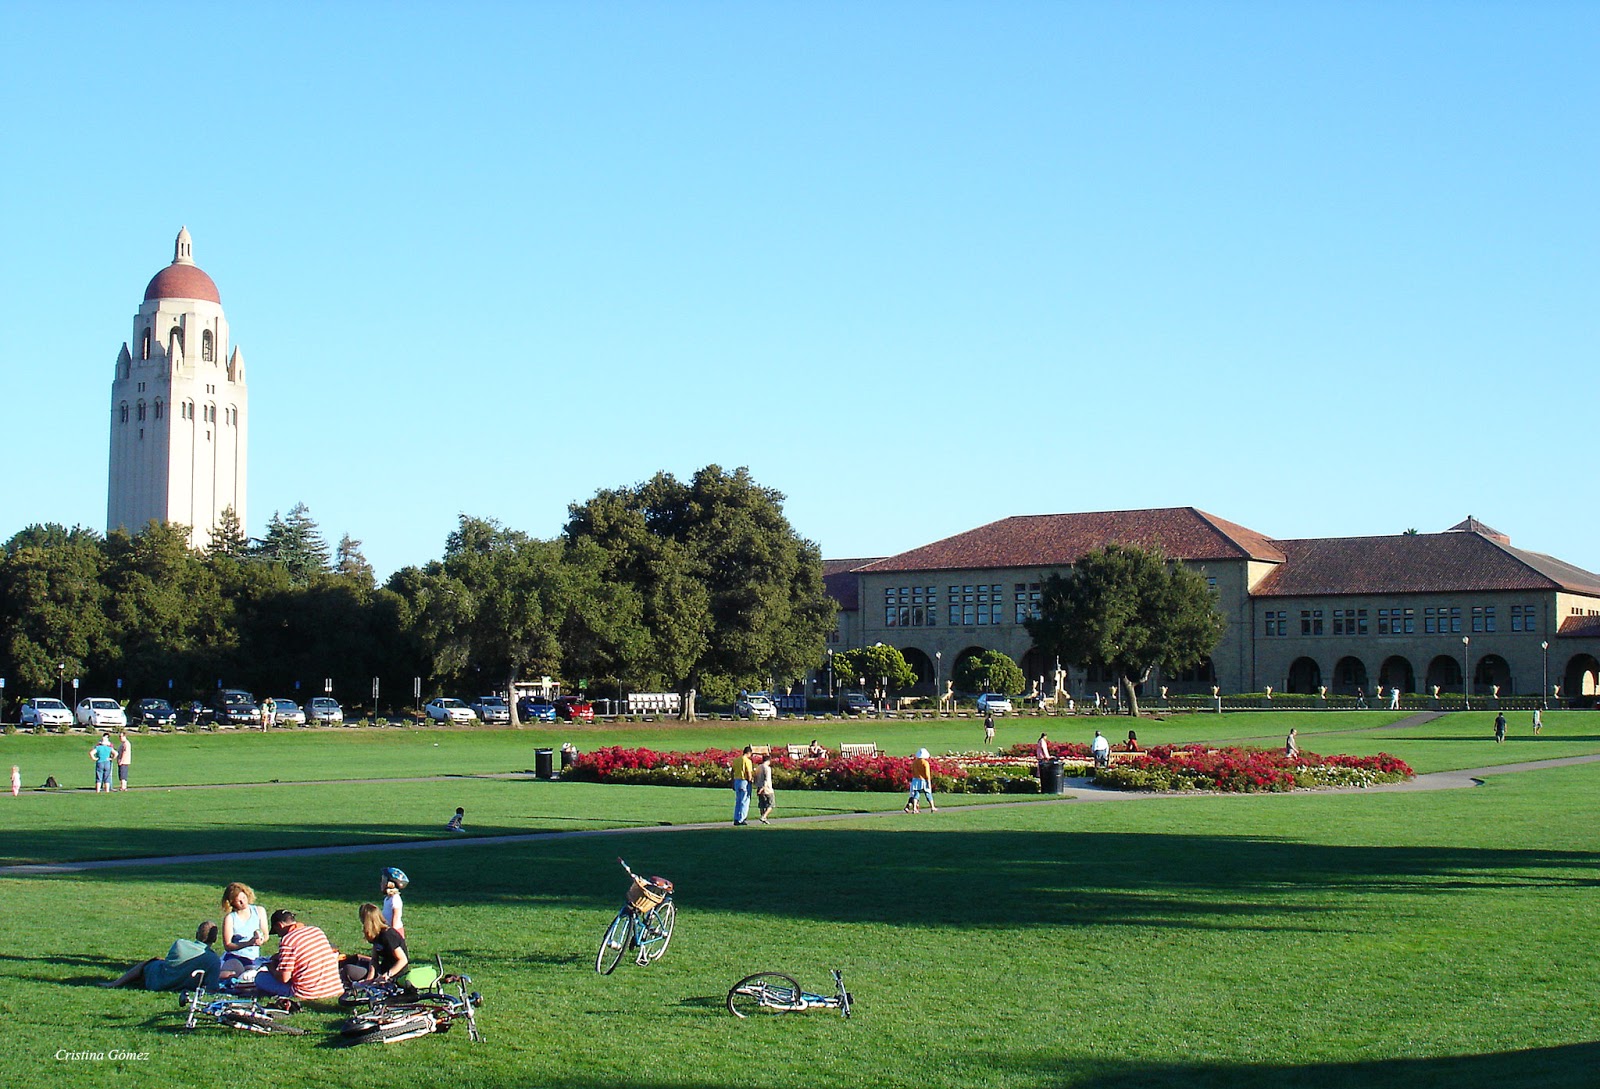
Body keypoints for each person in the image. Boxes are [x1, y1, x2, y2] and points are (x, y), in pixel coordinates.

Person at [101, 921, 221, 990]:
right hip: (182, 986)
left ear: (197, 934)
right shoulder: (213, 960)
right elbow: (212, 987)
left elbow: (170, 963)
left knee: (151, 962)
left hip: (156, 980)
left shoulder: (180, 944)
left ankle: (116, 983)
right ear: (215, 939)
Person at [253, 910, 344, 1000]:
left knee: (260, 978)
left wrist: (271, 967)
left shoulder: (288, 940)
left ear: (279, 926)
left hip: (308, 993)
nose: (279, 936)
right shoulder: (316, 931)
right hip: (334, 988)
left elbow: (284, 978)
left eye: (277, 932)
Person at [342, 902, 410, 985]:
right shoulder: (376, 934)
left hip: (394, 974)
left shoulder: (388, 935)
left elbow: (403, 960)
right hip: (381, 970)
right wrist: (369, 978)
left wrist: (387, 975)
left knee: (348, 969)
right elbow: (374, 959)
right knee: (353, 960)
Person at [219, 882, 269, 978]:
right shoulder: (230, 918)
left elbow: (265, 934)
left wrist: (260, 939)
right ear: (232, 903)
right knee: (233, 974)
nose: (243, 902)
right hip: (235, 956)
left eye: (244, 898)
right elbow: (228, 945)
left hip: (253, 958)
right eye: (239, 901)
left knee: (251, 976)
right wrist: (248, 943)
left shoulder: (259, 911)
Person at [904, 748, 937, 814]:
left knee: (916, 794)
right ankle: (932, 807)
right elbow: (927, 773)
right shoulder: (925, 763)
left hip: (915, 779)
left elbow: (912, 771)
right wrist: (928, 781)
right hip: (923, 780)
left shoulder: (915, 762)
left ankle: (914, 809)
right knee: (928, 793)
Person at [380, 867, 408, 937]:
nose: (381, 883)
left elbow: (395, 917)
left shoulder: (395, 899)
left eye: (383, 881)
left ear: (389, 884)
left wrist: (392, 933)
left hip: (395, 931)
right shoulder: (387, 898)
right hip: (388, 929)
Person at [730, 746, 754, 826]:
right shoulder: (747, 761)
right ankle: (742, 818)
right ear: (749, 753)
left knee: (738, 801)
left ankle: (736, 818)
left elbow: (732, 771)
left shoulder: (736, 760)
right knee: (745, 800)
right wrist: (750, 780)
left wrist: (732, 781)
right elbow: (748, 772)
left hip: (737, 780)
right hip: (744, 781)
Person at [752, 753, 775, 825]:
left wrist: (757, 786)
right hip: (767, 789)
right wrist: (763, 787)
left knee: (762, 804)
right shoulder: (767, 768)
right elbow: (766, 779)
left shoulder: (758, 767)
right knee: (771, 804)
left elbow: (755, 777)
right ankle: (764, 816)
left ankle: (764, 818)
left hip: (759, 787)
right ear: (768, 761)